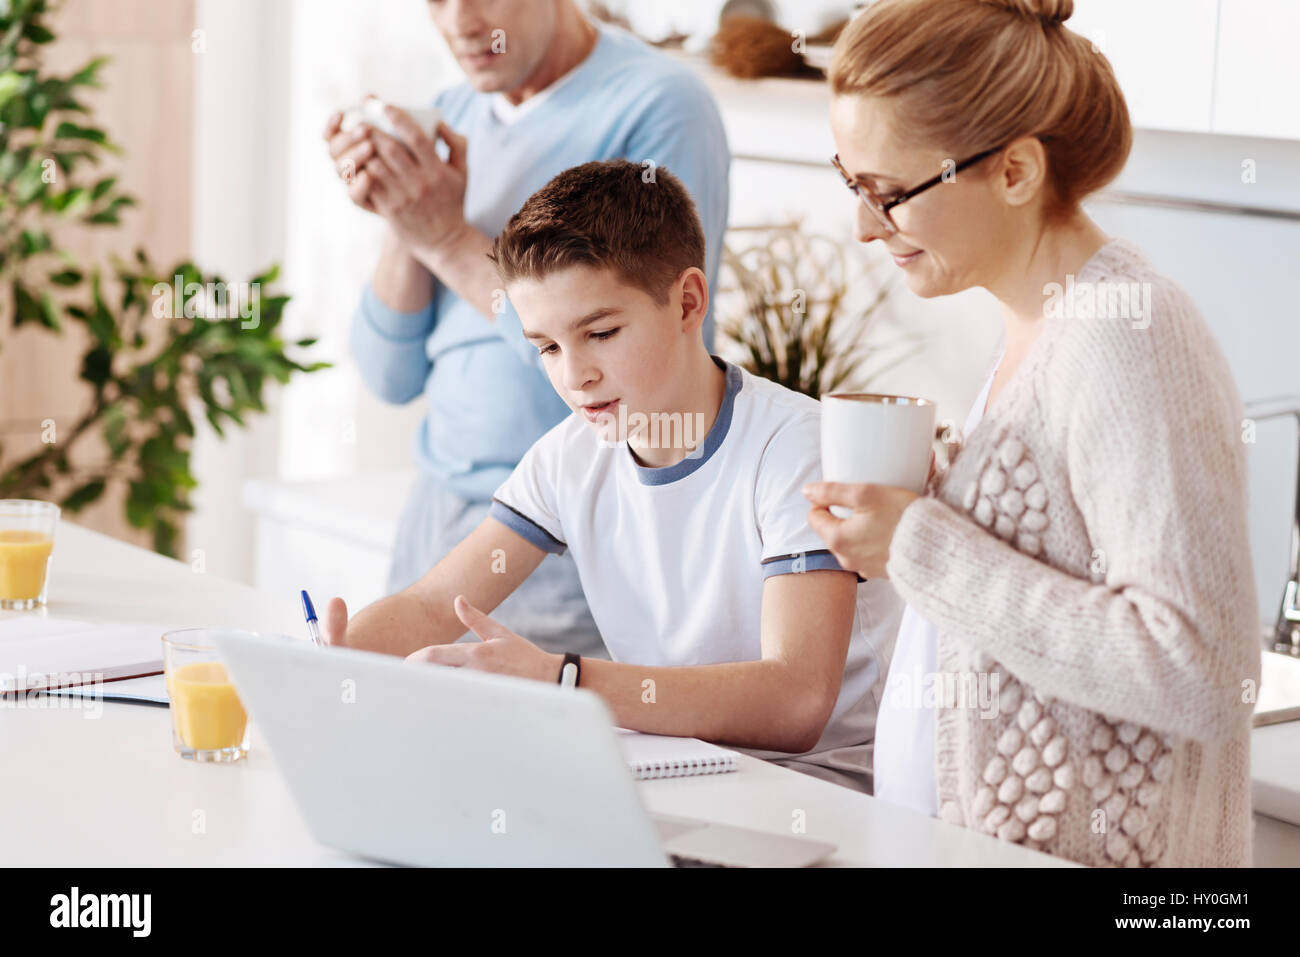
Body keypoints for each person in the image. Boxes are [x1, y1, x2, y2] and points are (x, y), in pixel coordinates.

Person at [802, 0, 1260, 865]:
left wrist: (924, 546)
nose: (863, 224)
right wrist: (934, 513)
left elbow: (1198, 670)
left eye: (889, 193)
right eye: (850, 181)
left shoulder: (1126, 334)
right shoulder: (1033, 330)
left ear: (1014, 170)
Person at [324, 160, 902, 794]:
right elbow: (432, 605)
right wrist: (327, 660)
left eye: (599, 333)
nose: (575, 377)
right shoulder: (568, 457)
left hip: (825, 791)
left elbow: (795, 703)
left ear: (688, 302)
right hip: (673, 777)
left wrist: (561, 678)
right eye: (546, 346)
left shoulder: (794, 448)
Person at [324, 0, 730, 659]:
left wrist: (448, 235)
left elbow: (643, 376)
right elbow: (387, 376)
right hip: (435, 523)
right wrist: (407, 222)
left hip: (562, 539)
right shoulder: (450, 113)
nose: (459, 21)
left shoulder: (659, 103)